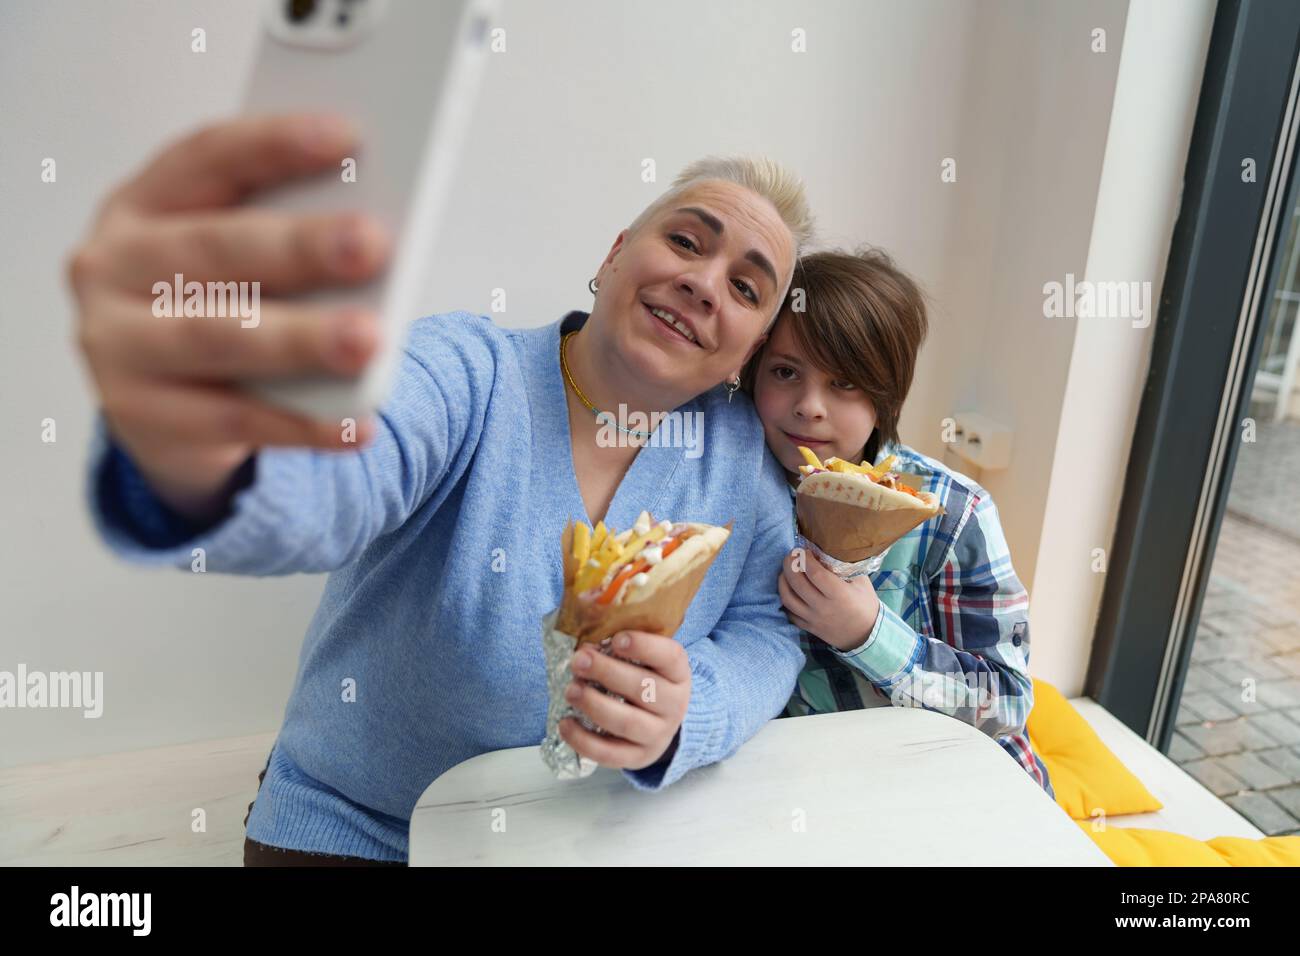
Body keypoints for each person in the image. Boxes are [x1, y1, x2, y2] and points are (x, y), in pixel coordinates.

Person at [68, 113, 817, 863]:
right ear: (616, 255)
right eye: (686, 241)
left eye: (747, 287)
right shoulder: (465, 372)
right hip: (356, 829)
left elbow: (767, 626)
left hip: (580, 839)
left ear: (747, 350)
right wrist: (197, 453)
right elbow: (340, 477)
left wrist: (690, 713)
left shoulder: (738, 452)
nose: (703, 282)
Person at [743, 248, 1054, 796]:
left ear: (886, 395)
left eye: (845, 383)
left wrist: (868, 634)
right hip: (822, 796)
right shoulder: (733, 493)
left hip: (965, 792)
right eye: (786, 372)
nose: (809, 406)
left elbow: (1006, 701)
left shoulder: (951, 514)